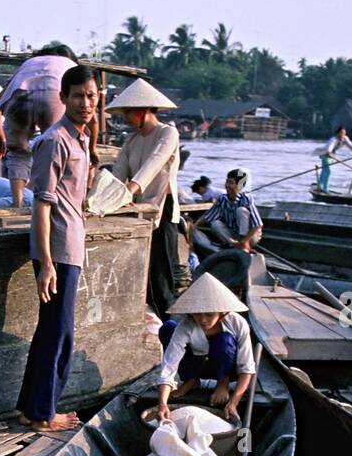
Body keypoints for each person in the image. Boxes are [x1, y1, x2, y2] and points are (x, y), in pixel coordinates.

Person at [16, 64, 99, 432]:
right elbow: (42, 204)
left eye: (92, 96)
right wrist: (46, 262)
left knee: (51, 330)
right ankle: (43, 415)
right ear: (63, 98)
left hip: (71, 246)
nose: (86, 103)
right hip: (58, 250)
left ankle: (31, 408)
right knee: (59, 333)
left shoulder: (79, 139)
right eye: (78, 95)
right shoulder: (54, 140)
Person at [0, 44, 98, 210]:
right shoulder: (71, 70)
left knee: (18, 153)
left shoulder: (28, 65)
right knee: (58, 148)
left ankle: (17, 204)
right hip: (53, 96)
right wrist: (92, 150)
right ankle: (58, 203)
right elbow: (93, 120)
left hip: (20, 96)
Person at [107, 78, 180, 319]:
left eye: (128, 112)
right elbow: (118, 173)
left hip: (162, 208)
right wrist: (106, 197)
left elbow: (153, 164)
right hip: (138, 208)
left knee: (162, 273)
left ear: (143, 111)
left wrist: (129, 189)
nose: (126, 118)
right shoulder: (132, 141)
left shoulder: (167, 133)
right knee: (141, 270)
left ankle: (168, 323)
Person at [157, 271, 255, 423]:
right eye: (197, 314)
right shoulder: (186, 326)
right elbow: (169, 365)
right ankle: (191, 379)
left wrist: (234, 401)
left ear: (221, 313)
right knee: (168, 328)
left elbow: (246, 368)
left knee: (224, 340)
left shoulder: (237, 323)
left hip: (226, 368)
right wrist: (162, 403)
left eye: (209, 314)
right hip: (198, 363)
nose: (202, 320)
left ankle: (222, 383)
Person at [196, 168, 263, 252]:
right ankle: (234, 245)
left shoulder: (246, 199)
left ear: (240, 185)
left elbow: (258, 225)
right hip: (234, 236)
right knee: (215, 224)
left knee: (241, 210)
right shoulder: (222, 198)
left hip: (250, 237)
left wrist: (244, 240)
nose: (227, 185)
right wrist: (194, 225)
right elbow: (209, 216)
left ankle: (244, 246)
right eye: (227, 182)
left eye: (231, 183)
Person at [316, 126, 352, 192]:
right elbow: (329, 148)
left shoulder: (345, 138)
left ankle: (320, 185)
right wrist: (329, 153)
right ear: (338, 133)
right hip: (325, 155)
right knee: (328, 171)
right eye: (342, 133)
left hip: (333, 156)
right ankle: (325, 189)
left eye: (344, 133)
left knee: (325, 170)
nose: (343, 135)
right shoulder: (333, 139)